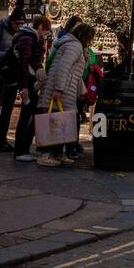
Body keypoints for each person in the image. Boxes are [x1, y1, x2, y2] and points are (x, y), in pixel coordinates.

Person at [36, 21, 95, 167]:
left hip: (67, 90)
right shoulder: (74, 47)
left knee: (64, 121)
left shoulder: (76, 47)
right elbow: (63, 68)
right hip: (62, 90)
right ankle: (46, 154)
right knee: (56, 120)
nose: (91, 41)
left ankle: (57, 153)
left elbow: (74, 71)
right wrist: (58, 89)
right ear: (84, 36)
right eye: (90, 38)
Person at [0, 7, 25, 153]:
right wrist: (8, 55)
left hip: (12, 75)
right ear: (11, 21)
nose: (19, 27)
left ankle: (2, 140)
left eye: (22, 24)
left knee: (8, 109)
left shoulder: (19, 32)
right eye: (17, 24)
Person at [11, 15, 52, 163]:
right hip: (28, 84)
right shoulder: (28, 38)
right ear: (40, 26)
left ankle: (23, 149)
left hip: (30, 83)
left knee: (31, 116)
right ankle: (20, 151)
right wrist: (25, 87)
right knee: (26, 117)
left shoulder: (31, 37)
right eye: (45, 30)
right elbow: (24, 63)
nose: (45, 33)